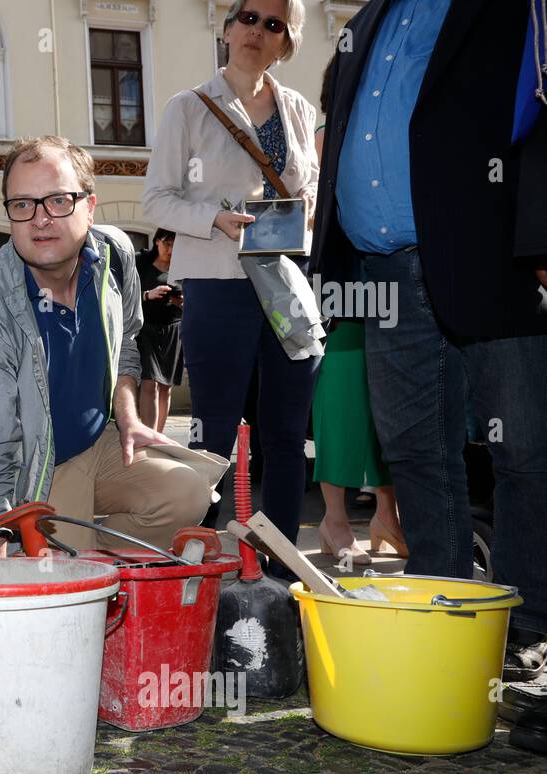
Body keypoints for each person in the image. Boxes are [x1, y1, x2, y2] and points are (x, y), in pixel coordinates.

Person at [313, 0, 547, 678]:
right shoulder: (368, 17)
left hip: (500, 259)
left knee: (526, 453)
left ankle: (528, 638)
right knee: (416, 454)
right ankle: (443, 622)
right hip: (383, 272)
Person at [0, 136, 213, 556]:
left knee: (188, 493)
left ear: (89, 207)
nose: (39, 219)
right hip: (36, 468)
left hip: (99, 442)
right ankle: (35, 559)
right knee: (67, 586)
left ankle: (79, 559)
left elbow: (126, 338)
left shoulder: (115, 255)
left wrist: (127, 417)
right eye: (22, 204)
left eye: (57, 201)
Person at [143, 0, 320, 565]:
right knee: (214, 432)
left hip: (286, 286)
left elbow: (308, 194)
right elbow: (156, 199)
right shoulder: (187, 108)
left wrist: (304, 215)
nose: (257, 31)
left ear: (285, 42)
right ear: (226, 27)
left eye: (274, 25)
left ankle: (281, 562)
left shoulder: (296, 108)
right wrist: (213, 219)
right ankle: (203, 559)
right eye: (248, 17)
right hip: (218, 282)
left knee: (288, 436)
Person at [308, 58, 404, 567]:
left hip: (389, 270)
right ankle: (335, 519)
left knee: (388, 394)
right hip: (348, 276)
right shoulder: (331, 132)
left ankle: (386, 516)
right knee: (345, 394)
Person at [133, 229, 184, 434]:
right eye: (166, 243)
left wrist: (179, 302)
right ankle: (148, 435)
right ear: (156, 242)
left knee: (165, 386)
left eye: (174, 245)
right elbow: (125, 294)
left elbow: (195, 303)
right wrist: (148, 294)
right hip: (146, 330)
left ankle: (158, 436)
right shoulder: (141, 263)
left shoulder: (184, 266)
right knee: (148, 383)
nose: (170, 250)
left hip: (173, 329)